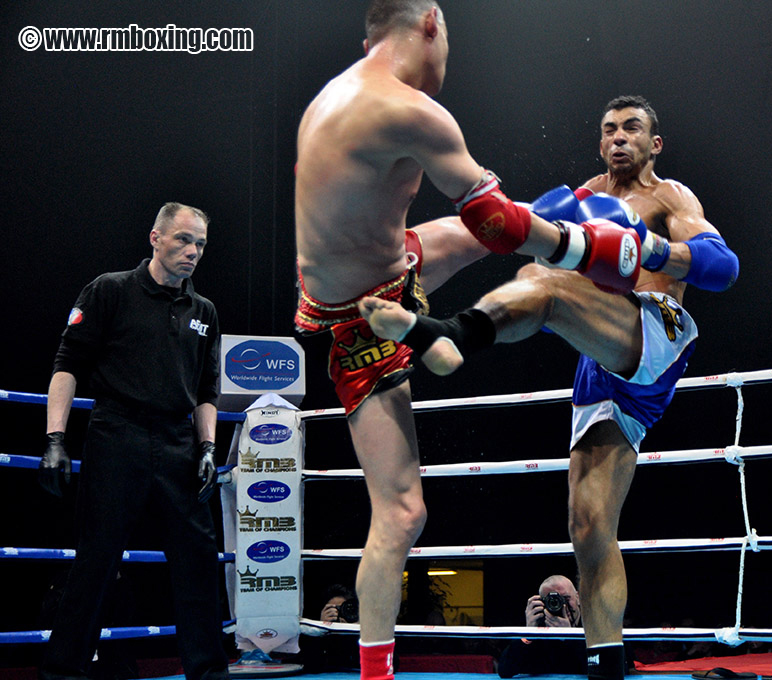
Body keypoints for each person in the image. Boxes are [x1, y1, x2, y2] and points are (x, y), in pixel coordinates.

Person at [292, 3, 649, 679]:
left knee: (479, 231)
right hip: (361, 318)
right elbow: (495, 224)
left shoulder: (332, 97)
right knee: (401, 513)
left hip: (379, 267)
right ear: (430, 23)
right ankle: (375, 674)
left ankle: (450, 325)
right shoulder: (413, 111)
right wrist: (591, 249)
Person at [360, 95, 738, 680]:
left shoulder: (670, 197)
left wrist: (652, 247)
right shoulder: (583, 198)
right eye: (609, 129)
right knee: (589, 527)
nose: (619, 138)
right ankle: (607, 666)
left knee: (548, 285)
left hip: (655, 330)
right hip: (600, 357)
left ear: (654, 143)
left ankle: (452, 333)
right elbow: (506, 232)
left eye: (632, 128)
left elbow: (722, 265)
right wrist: (428, 245)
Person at [37, 202, 226, 680]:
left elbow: (207, 390)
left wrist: (207, 447)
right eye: (183, 239)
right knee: (96, 561)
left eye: (201, 243)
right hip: (117, 434)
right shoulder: (110, 289)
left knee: (198, 562)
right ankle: (62, 674)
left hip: (179, 442)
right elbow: (67, 364)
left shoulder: (203, 310)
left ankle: (209, 675)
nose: (193, 251)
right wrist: (55, 437)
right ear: (155, 238)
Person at [497, 575, 587, 678]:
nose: (562, 605)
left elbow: (597, 668)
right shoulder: (537, 630)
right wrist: (528, 635)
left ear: (578, 598)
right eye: (552, 601)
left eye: (566, 598)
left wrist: (569, 637)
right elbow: (504, 670)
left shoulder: (592, 626)